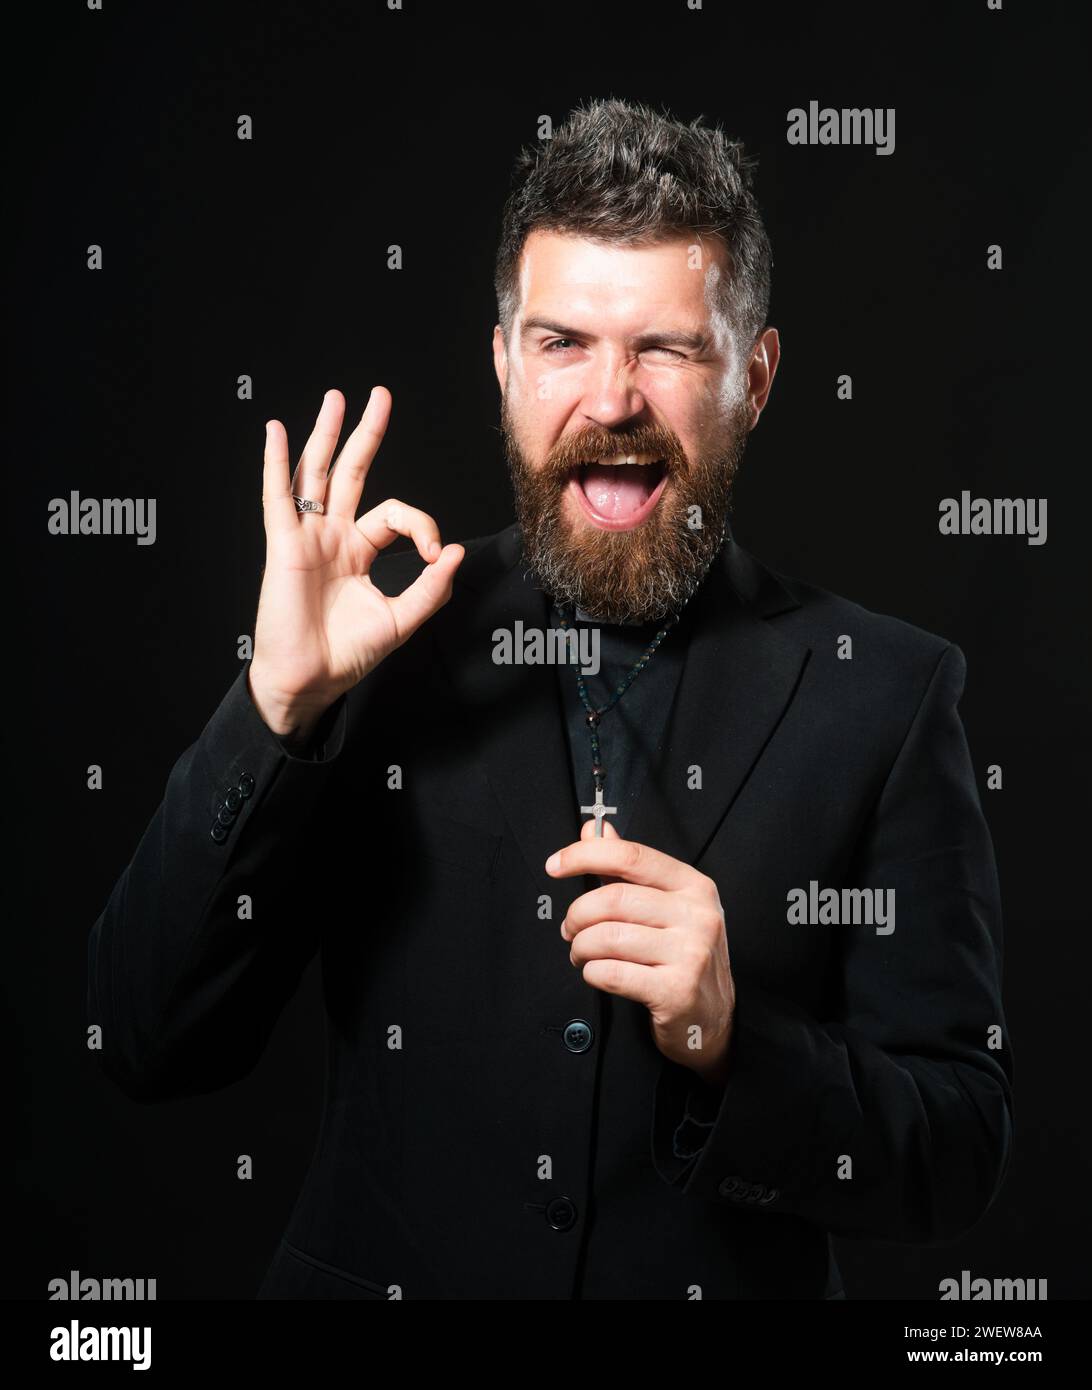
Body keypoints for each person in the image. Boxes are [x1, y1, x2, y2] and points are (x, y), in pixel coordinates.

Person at [87, 98, 1013, 1300]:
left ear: (757, 376)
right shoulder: (375, 647)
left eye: (669, 349)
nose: (614, 398)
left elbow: (959, 1148)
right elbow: (143, 1038)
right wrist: (272, 710)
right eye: (563, 341)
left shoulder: (889, 692)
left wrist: (735, 1042)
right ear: (503, 363)